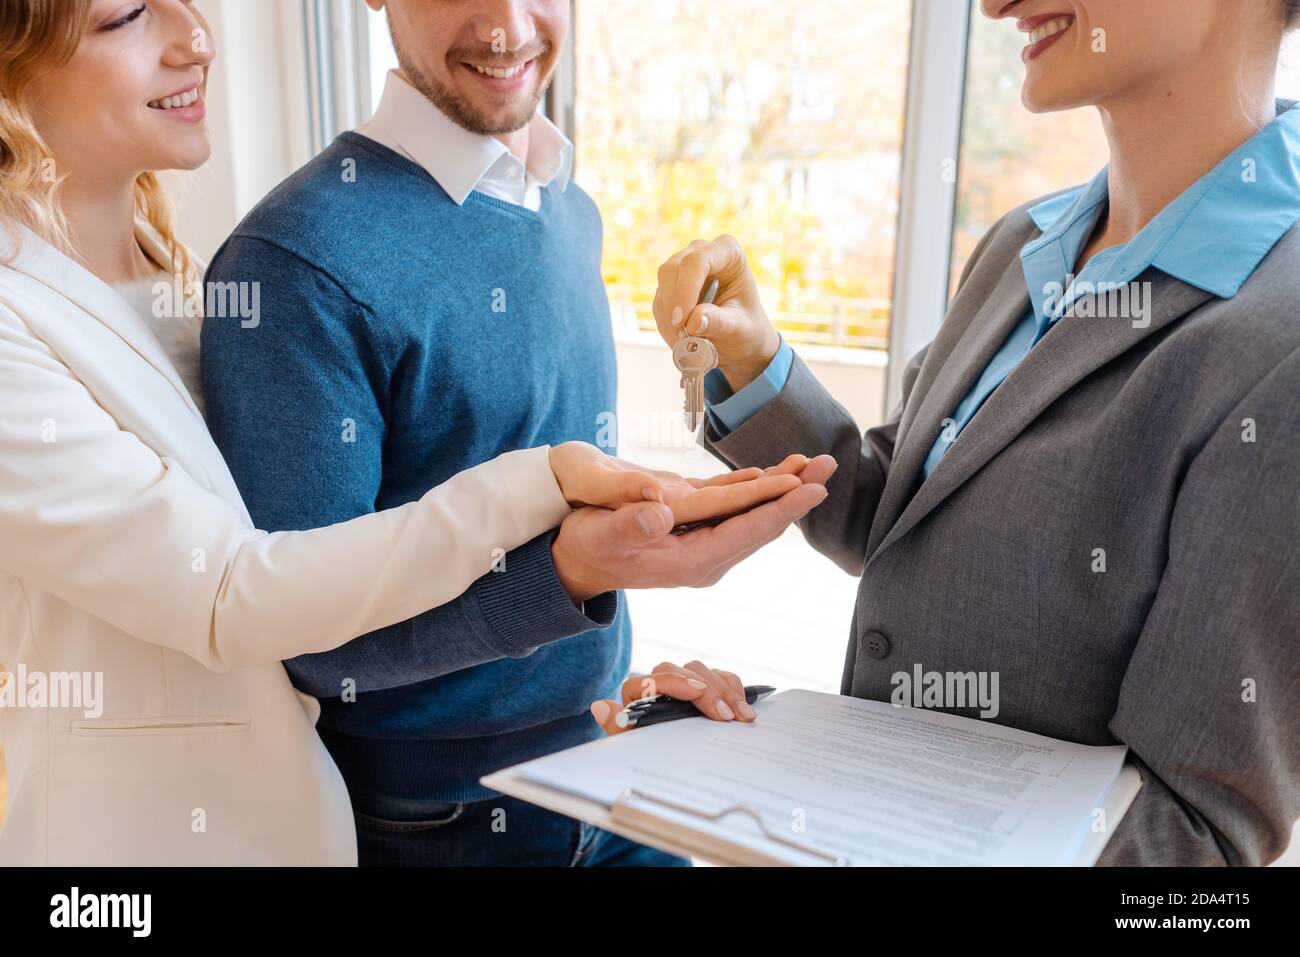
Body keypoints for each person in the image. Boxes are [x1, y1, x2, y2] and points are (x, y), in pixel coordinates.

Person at [0, 0, 829, 866]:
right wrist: (564, 535)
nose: (198, 39)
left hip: (603, 763)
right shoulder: (291, 263)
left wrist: (629, 676)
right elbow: (261, 605)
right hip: (408, 818)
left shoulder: (561, 208)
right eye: (125, 14)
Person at [607, 0, 1300, 865]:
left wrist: (823, 798)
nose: (993, 4)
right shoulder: (1025, 241)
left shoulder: (1283, 342)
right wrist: (758, 368)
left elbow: (1194, 848)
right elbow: (893, 511)